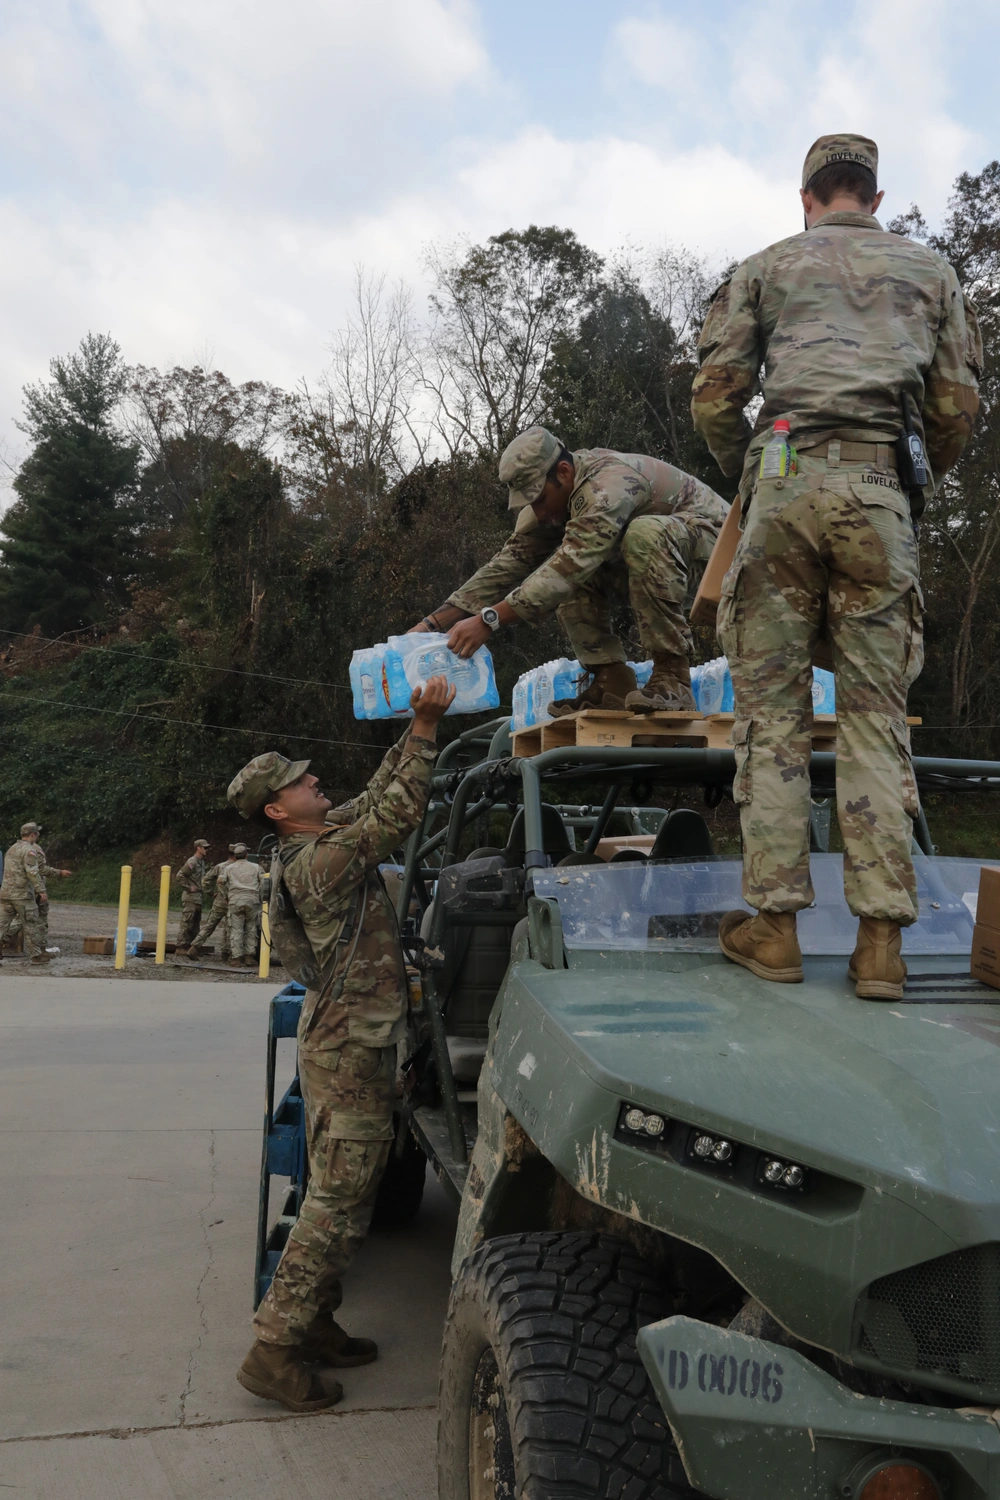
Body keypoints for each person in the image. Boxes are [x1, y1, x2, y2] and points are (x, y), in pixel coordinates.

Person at [691, 133, 982, 1000]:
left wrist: (749, 465)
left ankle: (774, 929)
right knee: (873, 718)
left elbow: (714, 391)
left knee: (773, 717)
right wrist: (902, 475)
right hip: (878, 486)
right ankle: (881, 947)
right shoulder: (931, 273)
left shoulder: (766, 266)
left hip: (779, 478)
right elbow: (959, 409)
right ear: (874, 198)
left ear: (809, 197)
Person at [227, 674, 455, 1412]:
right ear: (276, 810)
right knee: (336, 1198)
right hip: (347, 1048)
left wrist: (412, 734)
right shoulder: (320, 863)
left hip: (354, 1039)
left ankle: (316, 1322)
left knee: (351, 1195)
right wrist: (424, 728)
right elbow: (397, 813)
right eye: (299, 782)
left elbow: (375, 795)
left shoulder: (318, 840)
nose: (315, 780)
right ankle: (274, 1347)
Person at [409, 428, 728, 713]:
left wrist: (488, 620)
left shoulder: (607, 485)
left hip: (719, 564)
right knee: (564, 572)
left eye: (540, 498)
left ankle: (673, 680)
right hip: (660, 565)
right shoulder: (558, 504)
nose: (539, 511)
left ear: (563, 471)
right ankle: (611, 683)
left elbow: (572, 564)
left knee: (620, 544)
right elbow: (506, 566)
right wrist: (430, 624)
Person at [5, 825, 72, 956]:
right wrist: (59, 873)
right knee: (33, 919)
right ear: (33, 834)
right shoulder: (33, 849)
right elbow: (40, 870)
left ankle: (38, 949)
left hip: (14, 889)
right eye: (37, 833)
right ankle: (39, 951)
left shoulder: (13, 848)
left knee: (18, 919)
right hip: (30, 890)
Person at [182, 846, 237, 961]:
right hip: (233, 900)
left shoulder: (220, 866)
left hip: (220, 900)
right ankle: (225, 953)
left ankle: (194, 948)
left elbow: (205, 880)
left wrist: (211, 893)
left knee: (209, 926)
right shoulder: (239, 868)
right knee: (230, 926)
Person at [219, 843, 264, 969]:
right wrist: (259, 895)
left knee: (236, 929)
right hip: (252, 901)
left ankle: (236, 958)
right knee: (251, 929)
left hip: (235, 900)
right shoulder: (256, 867)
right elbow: (265, 882)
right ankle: (249, 957)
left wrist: (226, 895)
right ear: (246, 855)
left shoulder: (229, 868)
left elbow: (220, 882)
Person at [174, 839, 209, 952]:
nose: (206, 850)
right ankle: (181, 947)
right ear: (198, 848)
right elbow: (180, 875)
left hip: (198, 897)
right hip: (191, 897)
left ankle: (190, 947)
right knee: (187, 923)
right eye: (204, 848)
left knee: (195, 924)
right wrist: (188, 888)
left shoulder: (201, 862)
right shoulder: (192, 861)